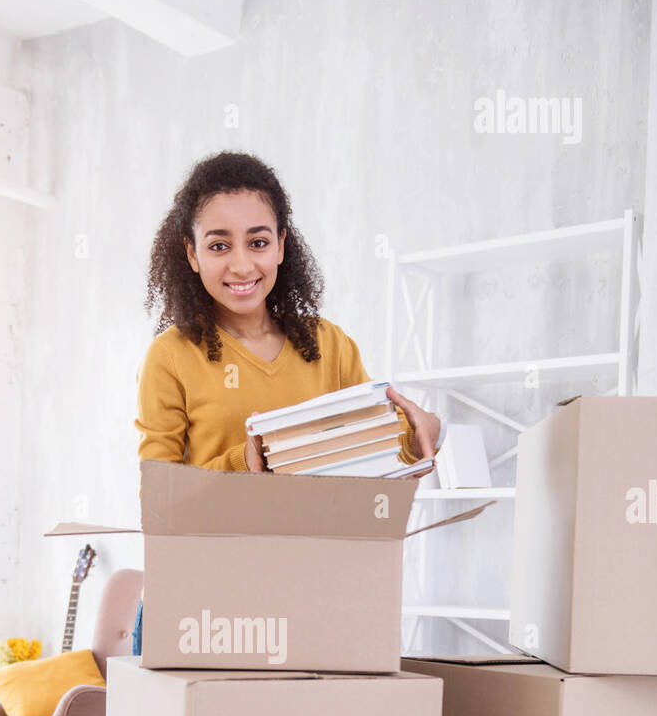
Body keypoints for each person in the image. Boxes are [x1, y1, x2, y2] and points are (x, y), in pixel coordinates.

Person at [131, 150, 444, 654]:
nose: (241, 264)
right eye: (218, 245)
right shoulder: (171, 357)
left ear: (281, 245)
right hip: (202, 600)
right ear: (191, 254)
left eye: (257, 241)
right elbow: (159, 503)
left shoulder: (330, 346)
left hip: (305, 594)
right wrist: (244, 463)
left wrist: (424, 428)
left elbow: (373, 459)